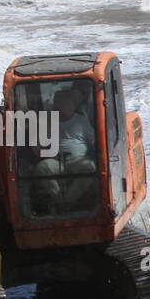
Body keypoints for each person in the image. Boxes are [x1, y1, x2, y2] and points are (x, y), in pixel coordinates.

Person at [30, 86, 97, 215]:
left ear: (71, 106)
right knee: (42, 168)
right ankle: (59, 200)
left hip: (77, 160)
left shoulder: (81, 121)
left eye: (63, 105)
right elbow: (36, 147)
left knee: (89, 167)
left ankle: (65, 203)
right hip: (55, 160)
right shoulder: (47, 122)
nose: (59, 109)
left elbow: (94, 141)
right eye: (57, 105)